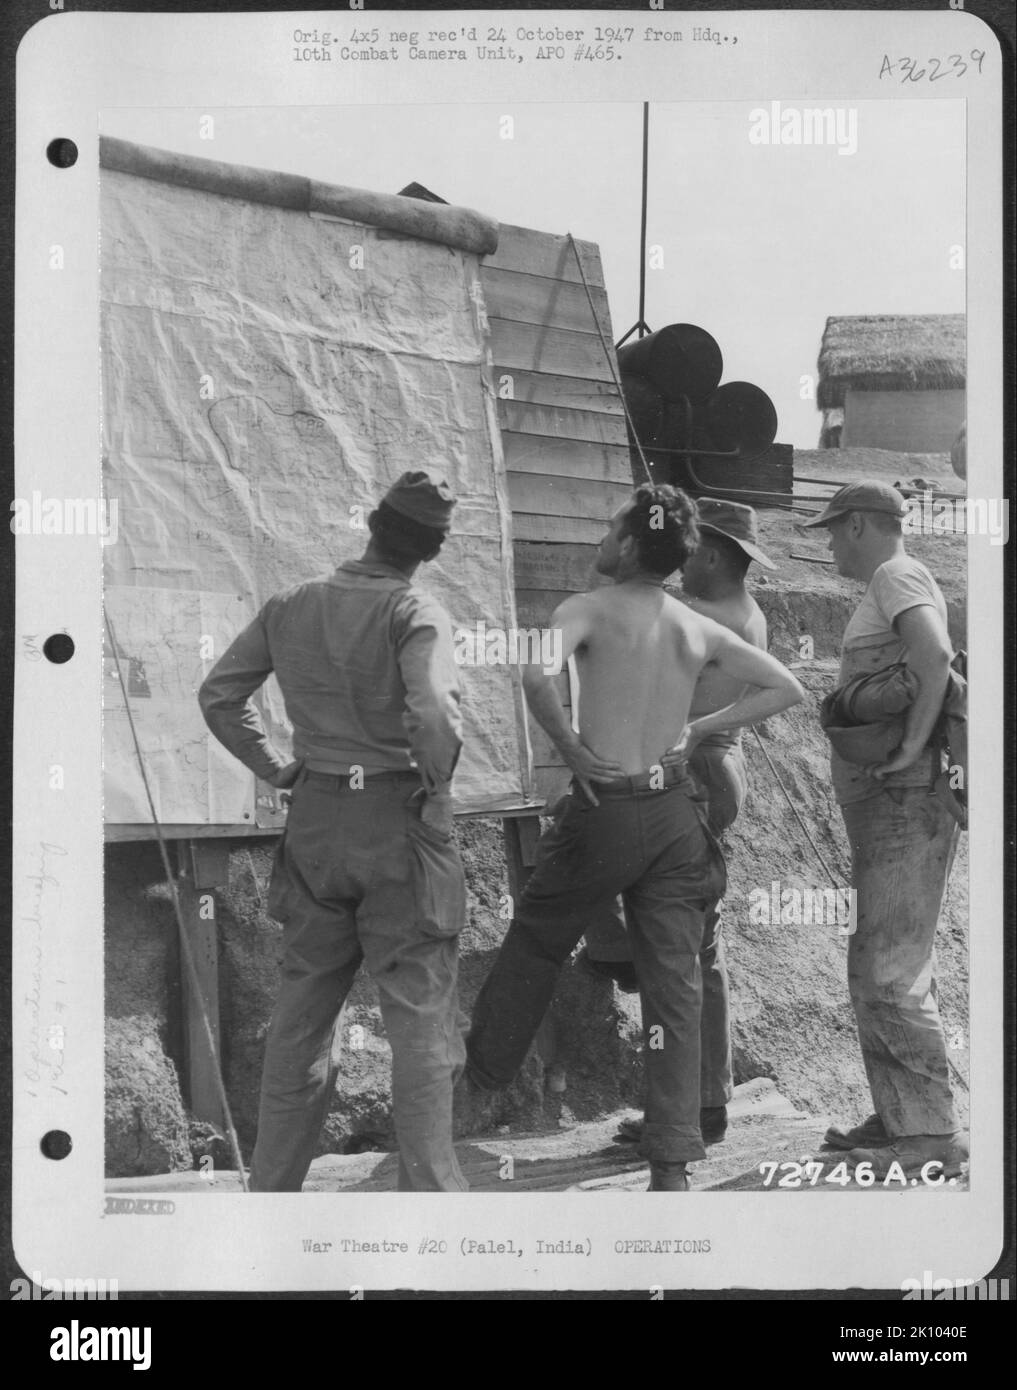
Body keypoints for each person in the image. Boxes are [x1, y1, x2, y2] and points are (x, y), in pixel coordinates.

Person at [465, 485, 804, 1190]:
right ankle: (672, 1162)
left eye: (608, 527)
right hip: (674, 812)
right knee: (674, 981)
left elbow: (534, 672)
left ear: (625, 545)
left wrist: (568, 746)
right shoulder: (693, 624)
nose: (600, 538)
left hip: (605, 807)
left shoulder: (584, 609)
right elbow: (787, 689)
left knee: (535, 939)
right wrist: (698, 730)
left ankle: (477, 1083)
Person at [198, 470, 470, 1192]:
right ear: (432, 547)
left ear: (372, 525)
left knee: (301, 1018)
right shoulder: (417, 611)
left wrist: (276, 766)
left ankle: (273, 1191)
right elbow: (436, 713)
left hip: (315, 820)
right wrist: (438, 795)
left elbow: (220, 695)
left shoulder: (292, 605)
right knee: (418, 1023)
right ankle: (432, 1203)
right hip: (400, 823)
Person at [582, 499, 774, 1148]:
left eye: (689, 549)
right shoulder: (748, 614)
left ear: (715, 555)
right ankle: (703, 1102)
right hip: (717, 773)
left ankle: (683, 1110)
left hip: (692, 775)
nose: (680, 559)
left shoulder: (704, 617)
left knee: (677, 948)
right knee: (701, 948)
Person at [803, 480, 968, 1178]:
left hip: (904, 799)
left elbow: (932, 657)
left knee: (890, 968)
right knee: (877, 959)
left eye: (836, 530)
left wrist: (907, 748)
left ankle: (930, 1137)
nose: (831, 543)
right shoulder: (888, 581)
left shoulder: (896, 573)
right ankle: (901, 1113)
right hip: (893, 806)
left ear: (864, 524)